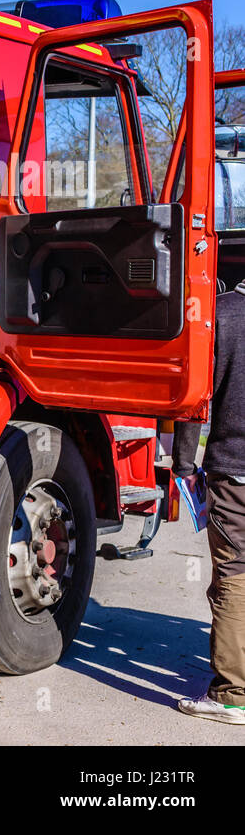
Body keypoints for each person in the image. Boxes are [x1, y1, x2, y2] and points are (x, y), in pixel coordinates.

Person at [172, 280, 245, 724]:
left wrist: (183, 464)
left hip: (234, 471)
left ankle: (232, 695)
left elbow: (194, 399)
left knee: (234, 578)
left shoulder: (220, 315)